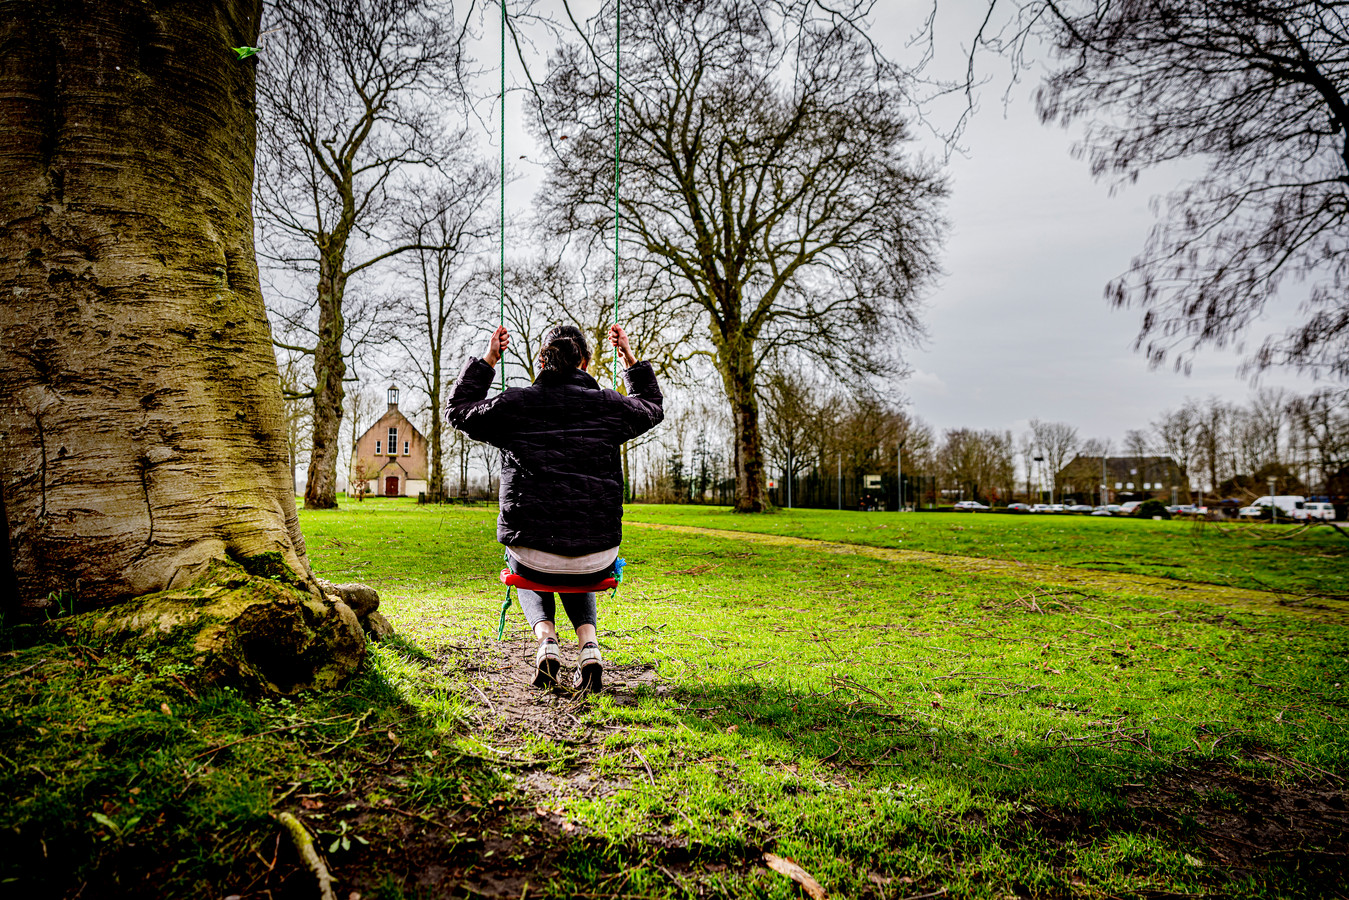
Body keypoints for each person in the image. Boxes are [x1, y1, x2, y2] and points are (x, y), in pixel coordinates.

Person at [445, 322, 664, 692]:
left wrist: (489, 359)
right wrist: (629, 358)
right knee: (574, 557)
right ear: (584, 362)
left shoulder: (515, 404)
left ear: (542, 362)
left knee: (535, 560)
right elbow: (653, 407)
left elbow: (458, 410)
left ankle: (547, 640)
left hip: (532, 555)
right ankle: (589, 647)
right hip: (597, 555)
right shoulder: (609, 406)